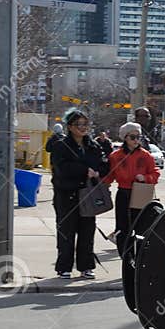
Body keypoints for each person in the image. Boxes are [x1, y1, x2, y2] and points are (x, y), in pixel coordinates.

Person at [49, 109, 109, 280]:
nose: (82, 128)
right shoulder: (61, 145)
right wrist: (84, 170)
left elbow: (104, 165)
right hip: (66, 195)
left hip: (88, 195)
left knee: (87, 232)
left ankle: (86, 266)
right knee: (66, 232)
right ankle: (64, 268)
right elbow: (61, 168)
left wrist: (97, 172)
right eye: (78, 124)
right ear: (70, 126)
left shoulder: (93, 146)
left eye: (85, 124)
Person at [103, 122, 160, 266]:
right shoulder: (115, 156)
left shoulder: (146, 156)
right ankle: (126, 260)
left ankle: (140, 260)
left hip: (140, 193)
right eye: (133, 137)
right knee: (123, 229)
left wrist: (146, 178)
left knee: (142, 228)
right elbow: (108, 177)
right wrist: (99, 179)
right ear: (125, 138)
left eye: (138, 137)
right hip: (123, 193)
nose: (136, 140)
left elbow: (155, 173)